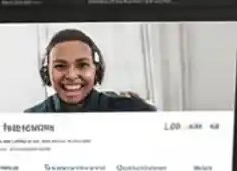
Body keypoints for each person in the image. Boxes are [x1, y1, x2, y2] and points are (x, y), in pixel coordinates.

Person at [25, 29, 157, 113]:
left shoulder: (129, 109)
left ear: (96, 70)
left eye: (82, 65)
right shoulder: (31, 118)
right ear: (46, 72)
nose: (71, 75)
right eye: (60, 66)